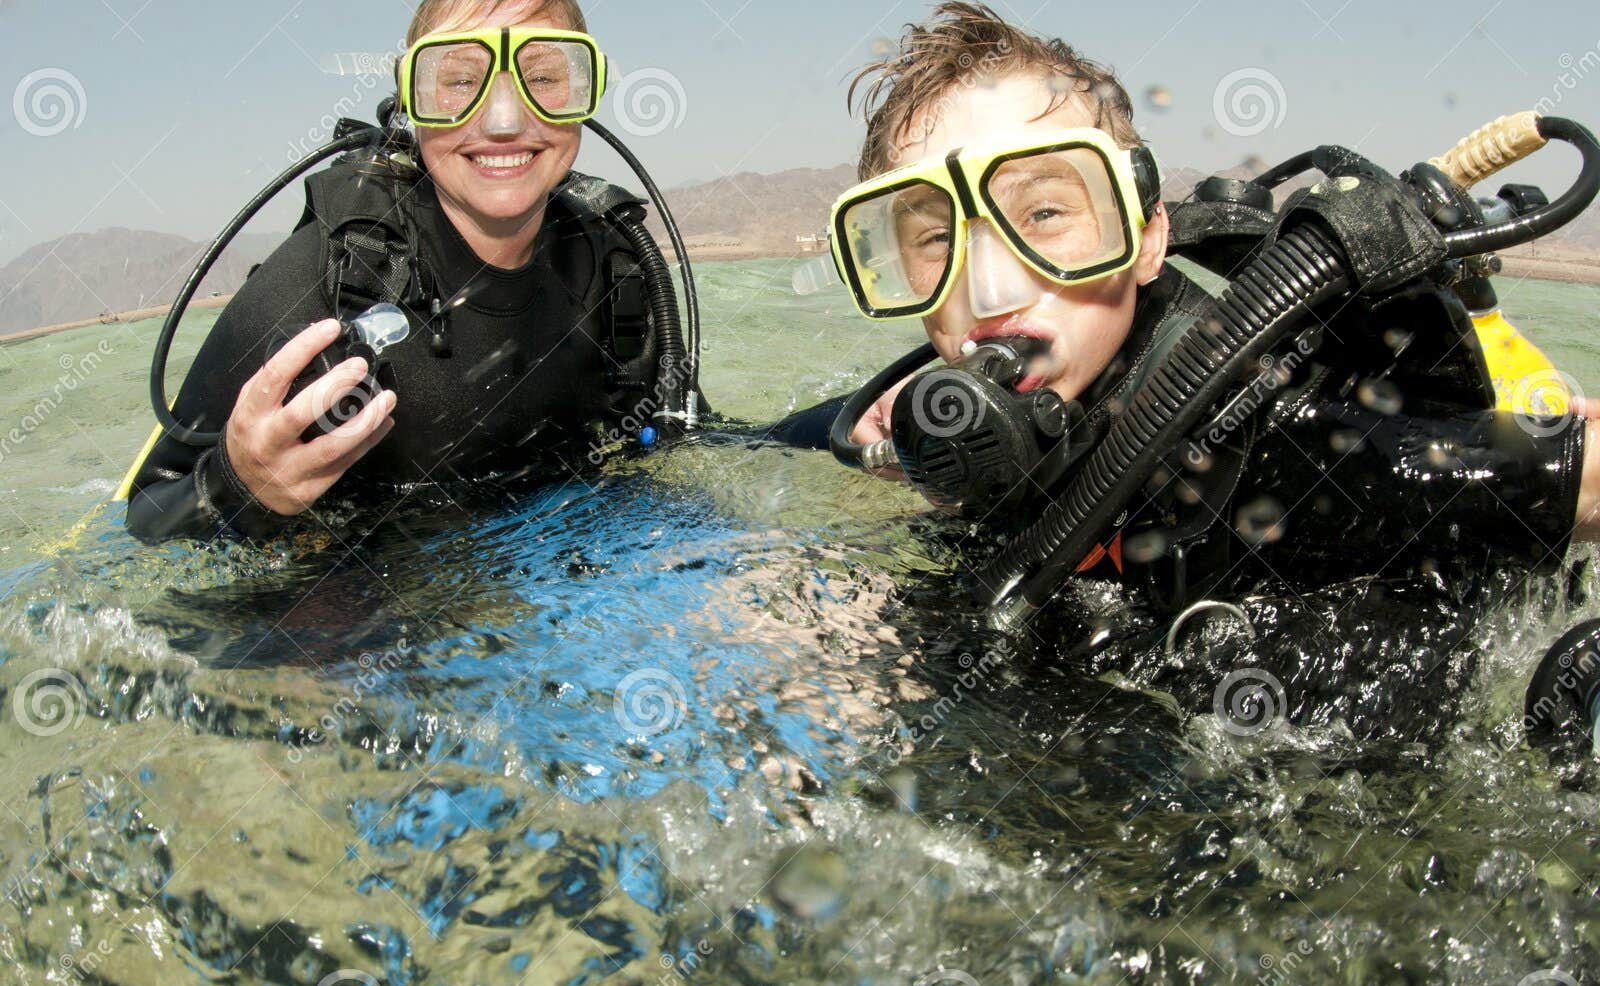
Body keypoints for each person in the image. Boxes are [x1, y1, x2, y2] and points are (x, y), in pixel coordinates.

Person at [808, 2, 1600, 628]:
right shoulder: (908, 427)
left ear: (1147, 238)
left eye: (1045, 213)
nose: (986, 291)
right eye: (937, 237)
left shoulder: (1270, 437)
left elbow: (1579, 474)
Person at [125, 0, 692, 544]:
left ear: (583, 91)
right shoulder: (326, 282)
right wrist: (238, 486)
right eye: (461, 82)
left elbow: (682, 439)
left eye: (542, 78)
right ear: (411, 99)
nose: (503, 120)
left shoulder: (617, 272)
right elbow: (146, 518)